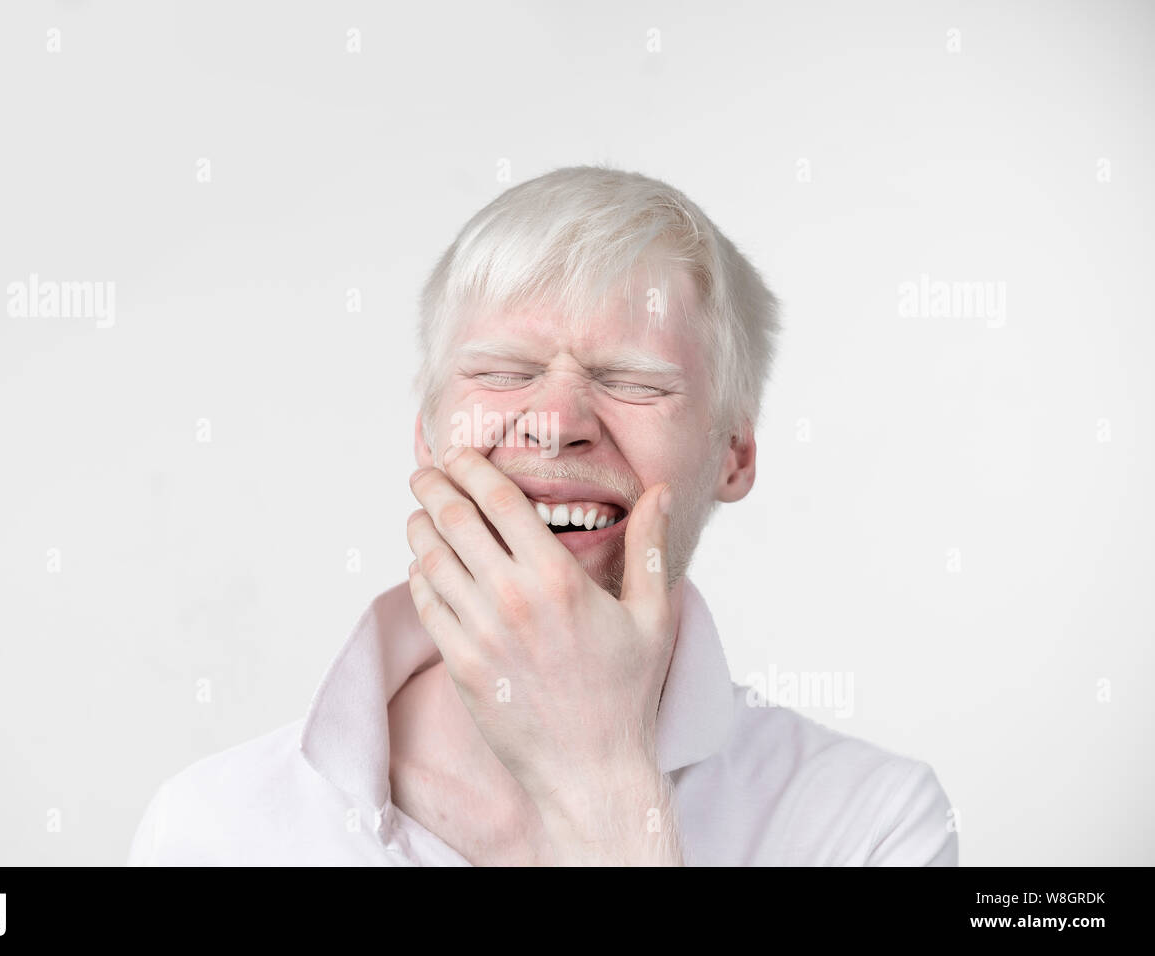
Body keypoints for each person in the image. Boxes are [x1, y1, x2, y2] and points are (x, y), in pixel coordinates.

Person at [127, 165, 958, 866]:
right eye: (502, 371)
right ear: (427, 439)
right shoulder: (212, 828)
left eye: (635, 380)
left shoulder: (869, 826)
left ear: (733, 455)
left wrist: (602, 782)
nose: (557, 420)